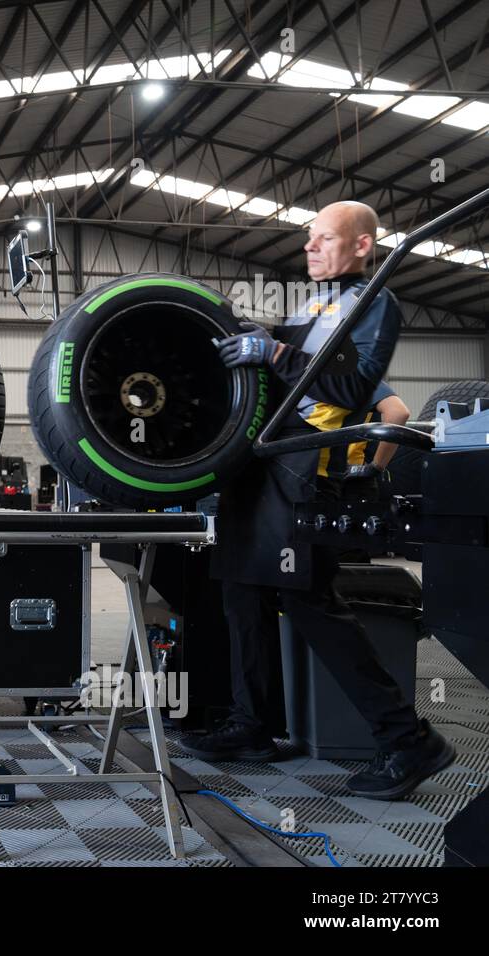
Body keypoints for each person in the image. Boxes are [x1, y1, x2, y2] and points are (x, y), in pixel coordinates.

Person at [180, 201, 456, 800]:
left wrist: (273, 353)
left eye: (324, 240)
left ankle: (407, 738)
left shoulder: (376, 303)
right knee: (239, 590)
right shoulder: (315, 303)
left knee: (309, 605)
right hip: (265, 462)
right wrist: (259, 334)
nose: (309, 249)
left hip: (308, 468)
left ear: (361, 245)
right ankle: (253, 725)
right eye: (308, 239)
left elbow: (351, 387)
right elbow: (289, 358)